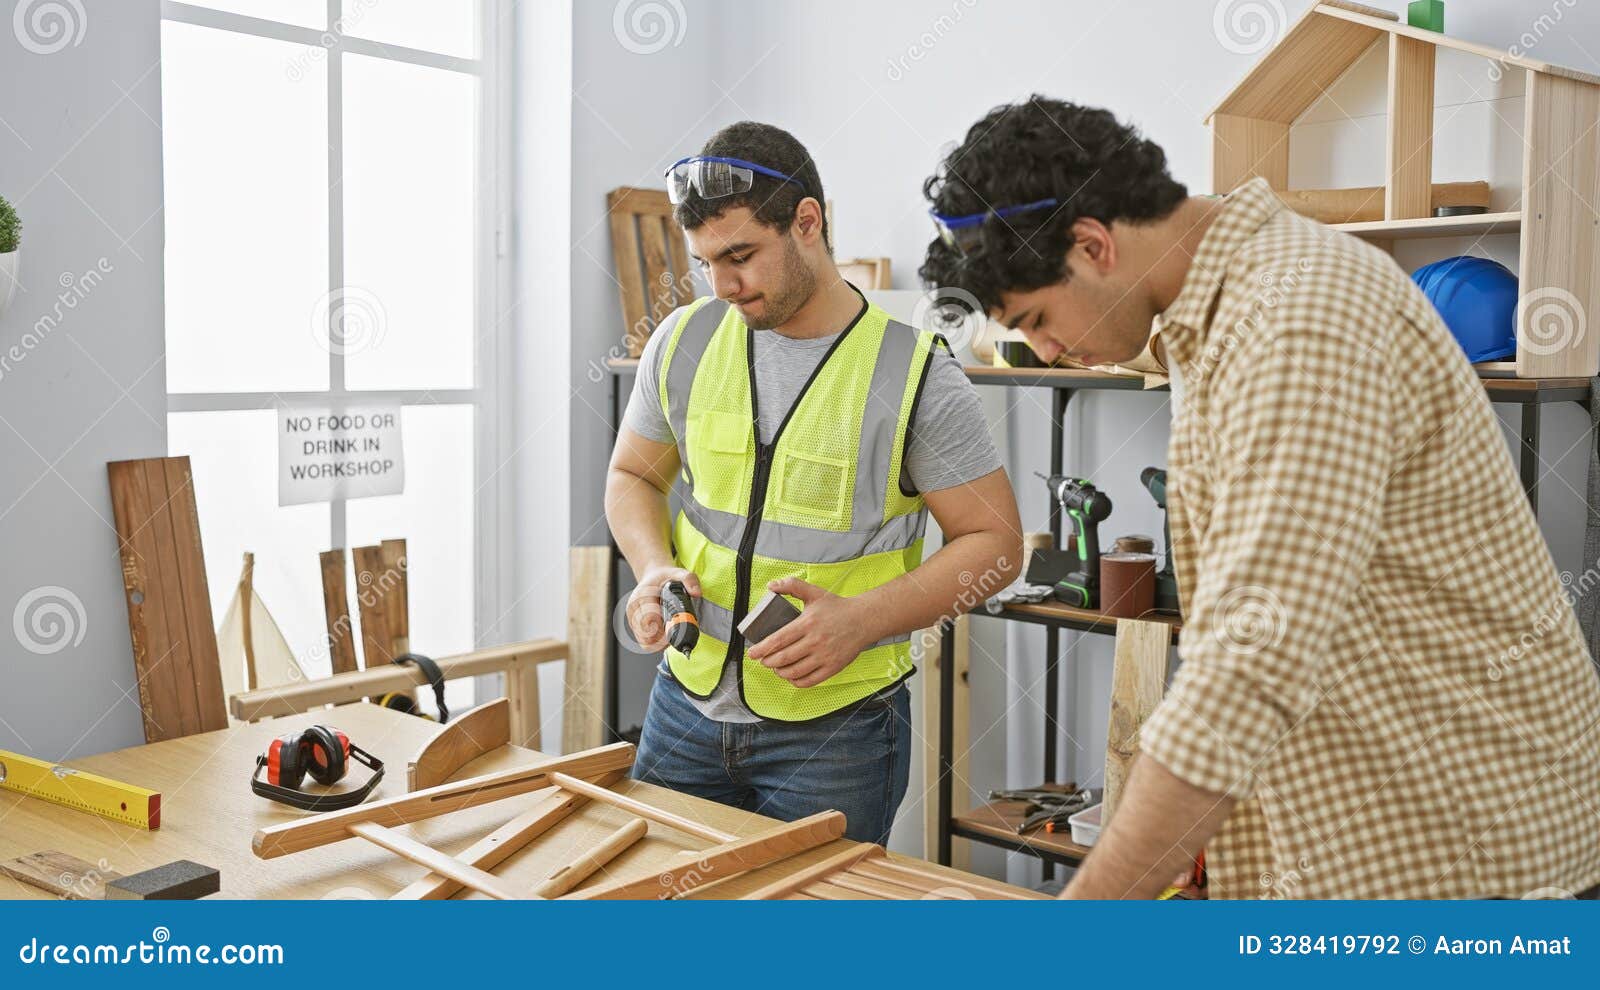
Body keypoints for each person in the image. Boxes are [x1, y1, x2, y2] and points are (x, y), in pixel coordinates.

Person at [920, 95, 1600, 899]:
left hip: (1467, 861)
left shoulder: (1296, 320)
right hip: (1351, 849)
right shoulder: (1215, 317)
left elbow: (1250, 662)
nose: (1044, 349)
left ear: (1093, 243)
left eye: (1035, 318)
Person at [605, 121, 1021, 844]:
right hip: (685, 703)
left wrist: (861, 622)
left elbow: (996, 545)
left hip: (838, 734)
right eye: (706, 263)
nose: (723, 285)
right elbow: (631, 477)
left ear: (807, 223)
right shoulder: (685, 341)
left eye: (740, 255)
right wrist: (652, 567)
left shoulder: (916, 374)